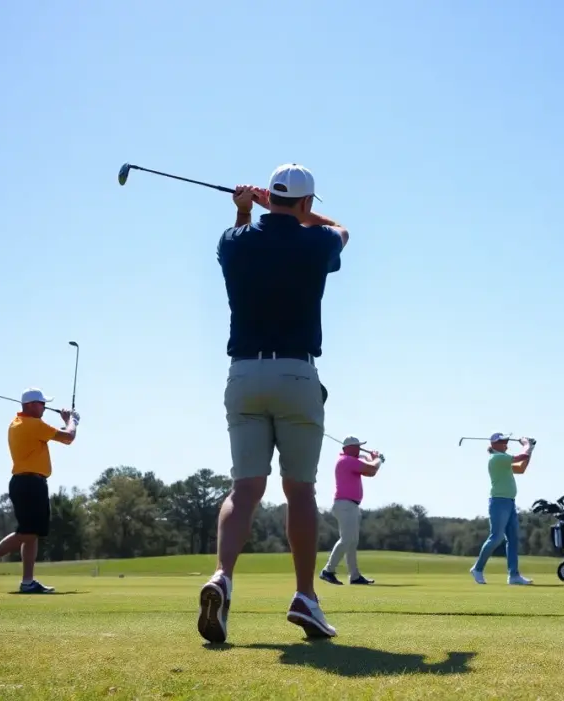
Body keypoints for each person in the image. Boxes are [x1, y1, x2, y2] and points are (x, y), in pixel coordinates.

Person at [197, 163, 349, 644]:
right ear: (305, 203)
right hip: (296, 372)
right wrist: (288, 211)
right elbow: (343, 230)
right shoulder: (315, 240)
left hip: (243, 374)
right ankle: (305, 596)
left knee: (245, 489)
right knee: (299, 491)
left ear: (269, 197)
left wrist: (245, 211)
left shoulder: (235, 240)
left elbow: (234, 245)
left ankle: (222, 577)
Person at [0, 388, 79, 594]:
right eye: (42, 403)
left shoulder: (18, 423)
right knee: (27, 532)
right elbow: (68, 437)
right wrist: (72, 420)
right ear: (30, 405)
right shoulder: (31, 424)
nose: (45, 407)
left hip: (30, 482)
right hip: (28, 483)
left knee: (32, 534)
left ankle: (27, 581)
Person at [470, 433, 536, 585]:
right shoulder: (497, 458)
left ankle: (514, 576)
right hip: (499, 502)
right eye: (503, 441)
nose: (506, 443)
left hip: (510, 502)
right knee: (496, 537)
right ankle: (477, 568)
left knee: (512, 539)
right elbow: (521, 457)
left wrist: (530, 449)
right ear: (494, 445)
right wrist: (526, 444)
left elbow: (521, 468)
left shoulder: (503, 460)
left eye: (506, 440)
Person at [320, 436, 384, 586]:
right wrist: (378, 459)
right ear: (349, 448)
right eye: (357, 446)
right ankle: (328, 570)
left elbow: (368, 466)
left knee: (352, 542)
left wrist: (372, 457)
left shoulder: (349, 459)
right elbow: (372, 469)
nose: (359, 449)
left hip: (351, 505)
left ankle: (354, 576)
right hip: (345, 505)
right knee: (347, 539)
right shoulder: (347, 461)